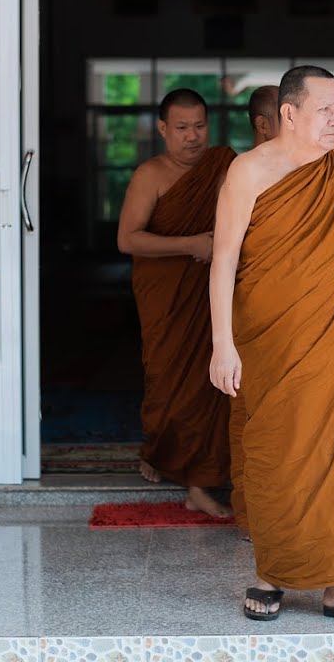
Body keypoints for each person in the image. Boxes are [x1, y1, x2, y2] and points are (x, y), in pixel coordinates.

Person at [209, 66, 334, 627]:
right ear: (289, 114)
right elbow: (223, 260)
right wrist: (222, 344)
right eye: (325, 110)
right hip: (270, 339)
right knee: (279, 449)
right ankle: (271, 573)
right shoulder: (249, 171)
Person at [116, 88, 237, 518]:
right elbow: (127, 238)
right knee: (168, 379)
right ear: (163, 129)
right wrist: (191, 244)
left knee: (211, 386)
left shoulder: (223, 165)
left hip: (212, 294)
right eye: (182, 128)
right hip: (167, 294)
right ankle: (161, 451)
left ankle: (200, 484)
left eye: (200, 126)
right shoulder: (151, 175)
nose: (193, 137)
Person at [228, 83, 280, 543]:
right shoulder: (244, 173)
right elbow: (226, 255)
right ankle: (258, 517)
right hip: (259, 313)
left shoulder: (331, 170)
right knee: (257, 419)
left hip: (317, 320)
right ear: (267, 122)